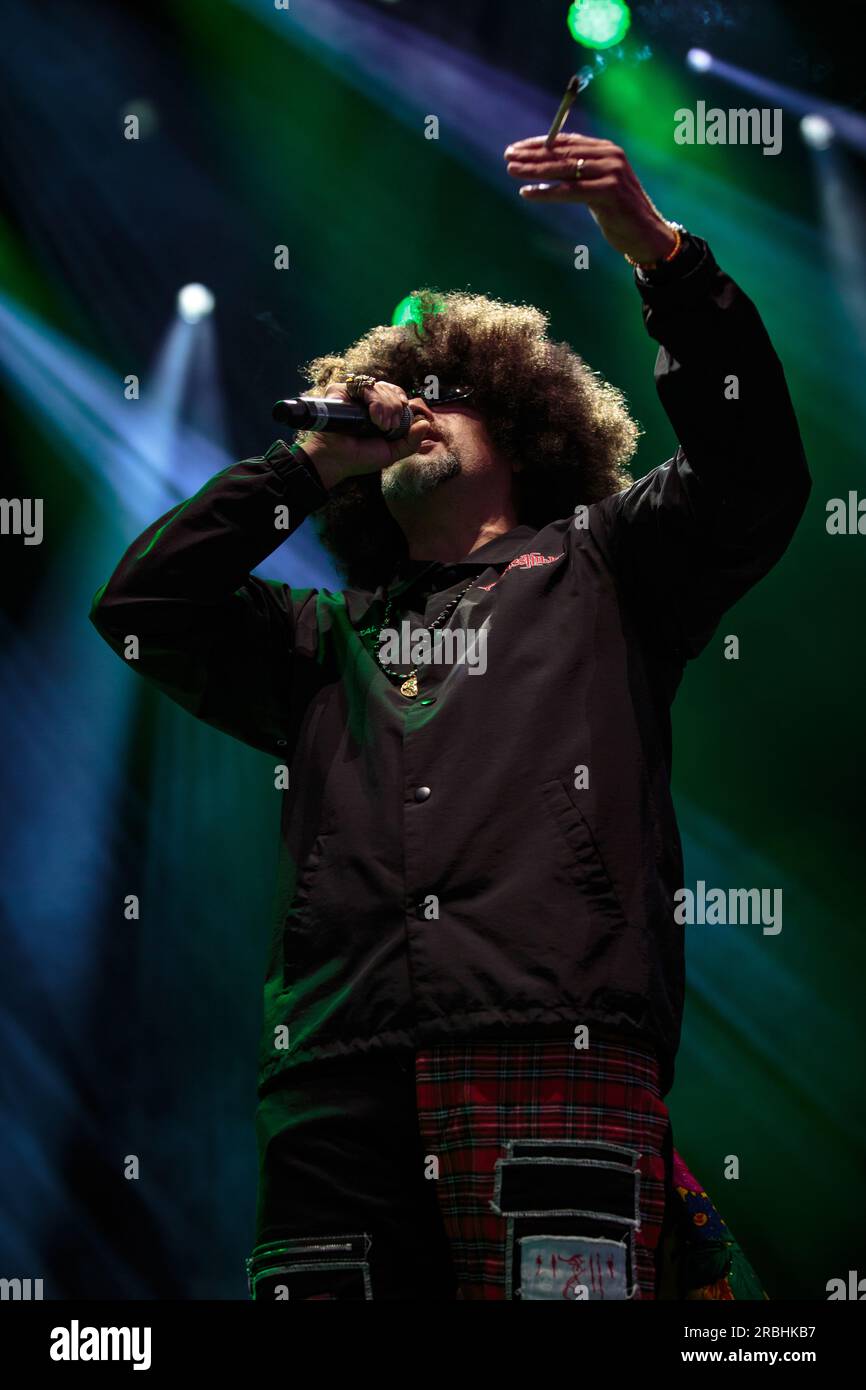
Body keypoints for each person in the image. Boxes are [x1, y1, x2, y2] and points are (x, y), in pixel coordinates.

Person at [90, 133, 810, 1300]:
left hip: (547, 1042)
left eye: (444, 399)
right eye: (399, 401)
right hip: (333, 1085)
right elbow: (141, 604)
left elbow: (756, 473)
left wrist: (660, 256)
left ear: (525, 433)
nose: (412, 414)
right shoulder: (319, 641)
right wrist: (302, 465)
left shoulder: (606, 562)